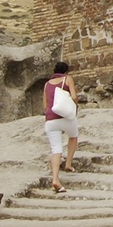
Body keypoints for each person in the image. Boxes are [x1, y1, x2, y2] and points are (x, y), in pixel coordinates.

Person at [43, 62, 79, 193]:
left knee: (56, 150)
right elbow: (74, 96)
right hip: (66, 117)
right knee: (73, 136)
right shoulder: (67, 79)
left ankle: (55, 179)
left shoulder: (47, 84)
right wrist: (74, 105)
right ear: (66, 71)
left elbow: (45, 105)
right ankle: (68, 163)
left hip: (51, 120)